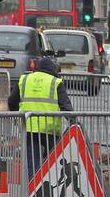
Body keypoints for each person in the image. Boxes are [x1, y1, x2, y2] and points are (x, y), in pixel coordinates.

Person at [8, 55, 73, 183]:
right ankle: (50, 189)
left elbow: (12, 101)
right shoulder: (55, 82)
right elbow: (65, 106)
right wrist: (74, 122)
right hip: (51, 130)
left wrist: (18, 115)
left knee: (33, 164)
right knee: (54, 162)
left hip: (29, 128)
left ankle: (34, 194)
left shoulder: (24, 80)